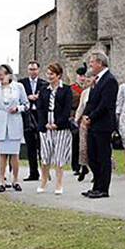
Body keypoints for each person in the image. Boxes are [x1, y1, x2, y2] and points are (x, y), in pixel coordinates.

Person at [81, 50, 119, 199]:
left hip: (102, 124)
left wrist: (91, 117)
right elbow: (91, 101)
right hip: (93, 124)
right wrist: (85, 115)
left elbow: (105, 104)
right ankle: (96, 185)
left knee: (103, 157)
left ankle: (103, 188)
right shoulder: (97, 80)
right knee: (92, 156)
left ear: (100, 63)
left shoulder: (110, 80)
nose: (90, 65)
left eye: (92, 62)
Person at [0, 64, 28, 191]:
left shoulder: (18, 87)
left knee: (14, 154)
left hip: (14, 121)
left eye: (1, 75)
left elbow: (26, 104)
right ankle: (2, 181)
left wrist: (18, 108)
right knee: (1, 153)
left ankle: (15, 179)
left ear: (8, 75)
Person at [36, 62, 74, 195]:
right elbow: (40, 108)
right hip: (46, 128)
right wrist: (44, 123)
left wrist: (57, 124)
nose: (49, 76)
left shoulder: (66, 90)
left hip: (61, 128)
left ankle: (59, 184)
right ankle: (44, 181)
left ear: (58, 75)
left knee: (59, 157)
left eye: (52, 74)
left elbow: (67, 109)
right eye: (48, 74)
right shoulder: (43, 89)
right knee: (45, 156)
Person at [21, 61, 49, 181]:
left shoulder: (44, 84)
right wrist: (28, 97)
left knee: (42, 146)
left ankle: (45, 172)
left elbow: (48, 100)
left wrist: (38, 97)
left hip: (40, 116)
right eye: (30, 69)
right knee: (30, 146)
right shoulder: (22, 83)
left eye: (34, 69)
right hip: (27, 116)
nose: (32, 71)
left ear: (38, 70)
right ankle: (33, 172)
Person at [71, 66, 92, 181]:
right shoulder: (72, 89)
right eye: (81, 76)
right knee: (77, 144)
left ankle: (87, 166)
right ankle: (77, 166)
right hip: (77, 117)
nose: (83, 78)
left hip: (89, 118)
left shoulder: (90, 90)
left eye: (85, 76)